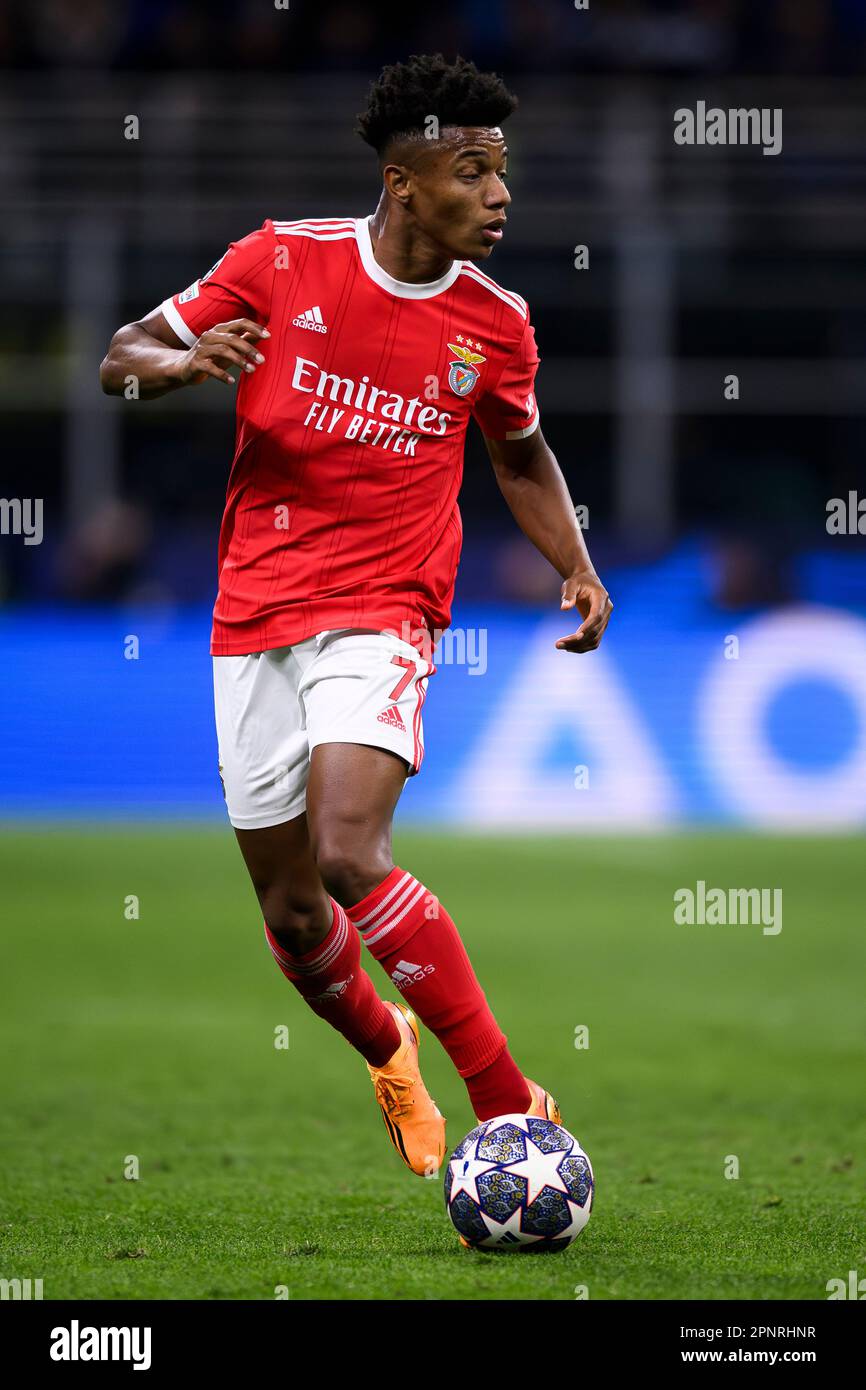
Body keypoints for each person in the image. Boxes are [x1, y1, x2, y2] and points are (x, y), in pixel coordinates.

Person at [99, 53, 613, 1178]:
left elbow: (518, 451)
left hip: (385, 606)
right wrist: (184, 365)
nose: (498, 194)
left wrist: (575, 564)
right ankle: (388, 1049)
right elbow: (116, 359)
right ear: (400, 181)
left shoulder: (496, 323)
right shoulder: (280, 259)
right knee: (291, 914)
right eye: (471, 171)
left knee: (345, 850)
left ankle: (505, 1098)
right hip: (253, 612)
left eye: (502, 171)